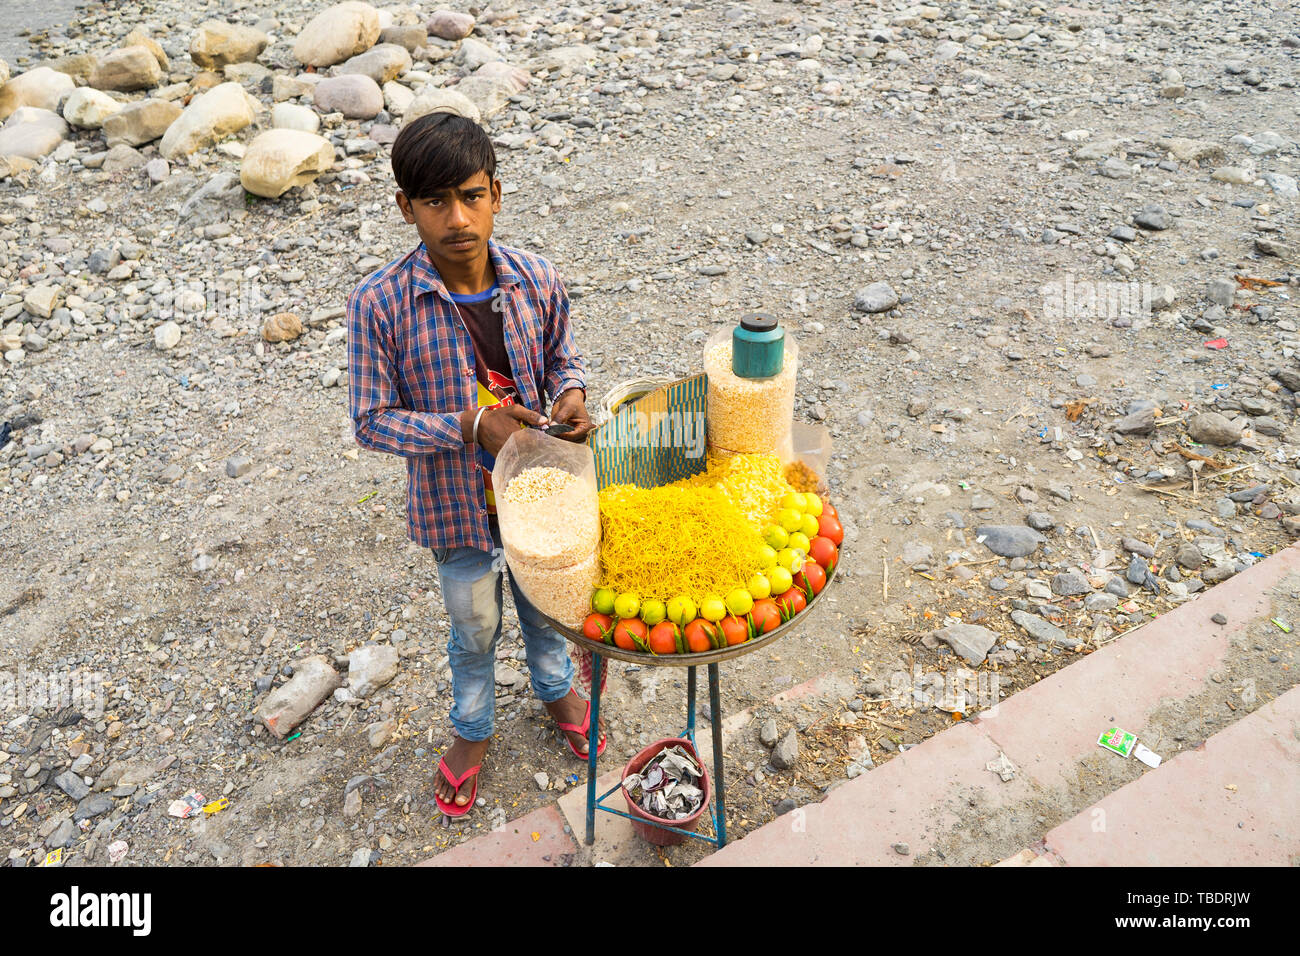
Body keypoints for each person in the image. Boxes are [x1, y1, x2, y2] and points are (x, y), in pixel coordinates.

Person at [347, 111, 604, 816]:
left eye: (470, 195)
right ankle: (472, 729)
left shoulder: (537, 279)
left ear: (496, 192)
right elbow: (371, 422)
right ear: (406, 207)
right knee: (474, 626)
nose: (456, 218)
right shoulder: (379, 304)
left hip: (541, 499)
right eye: (434, 202)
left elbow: (563, 360)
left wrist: (572, 395)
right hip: (455, 510)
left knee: (547, 608)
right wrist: (468, 425)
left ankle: (556, 690)